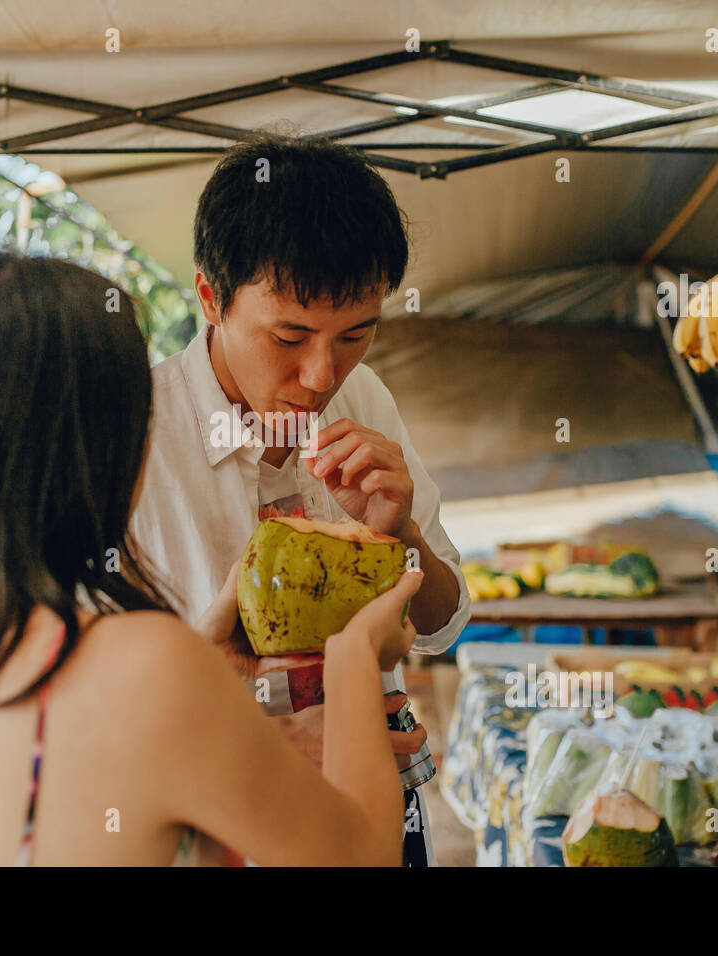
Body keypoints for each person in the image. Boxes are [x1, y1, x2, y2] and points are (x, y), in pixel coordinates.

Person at [0, 252, 423, 866]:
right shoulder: (145, 665)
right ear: (108, 444)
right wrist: (353, 658)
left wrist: (206, 677)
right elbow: (362, 859)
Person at [129, 133, 470, 867]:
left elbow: (442, 625)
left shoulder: (365, 395)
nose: (321, 375)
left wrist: (401, 532)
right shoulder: (134, 437)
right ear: (210, 297)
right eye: (289, 336)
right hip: (215, 817)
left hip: (376, 795)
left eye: (355, 335)